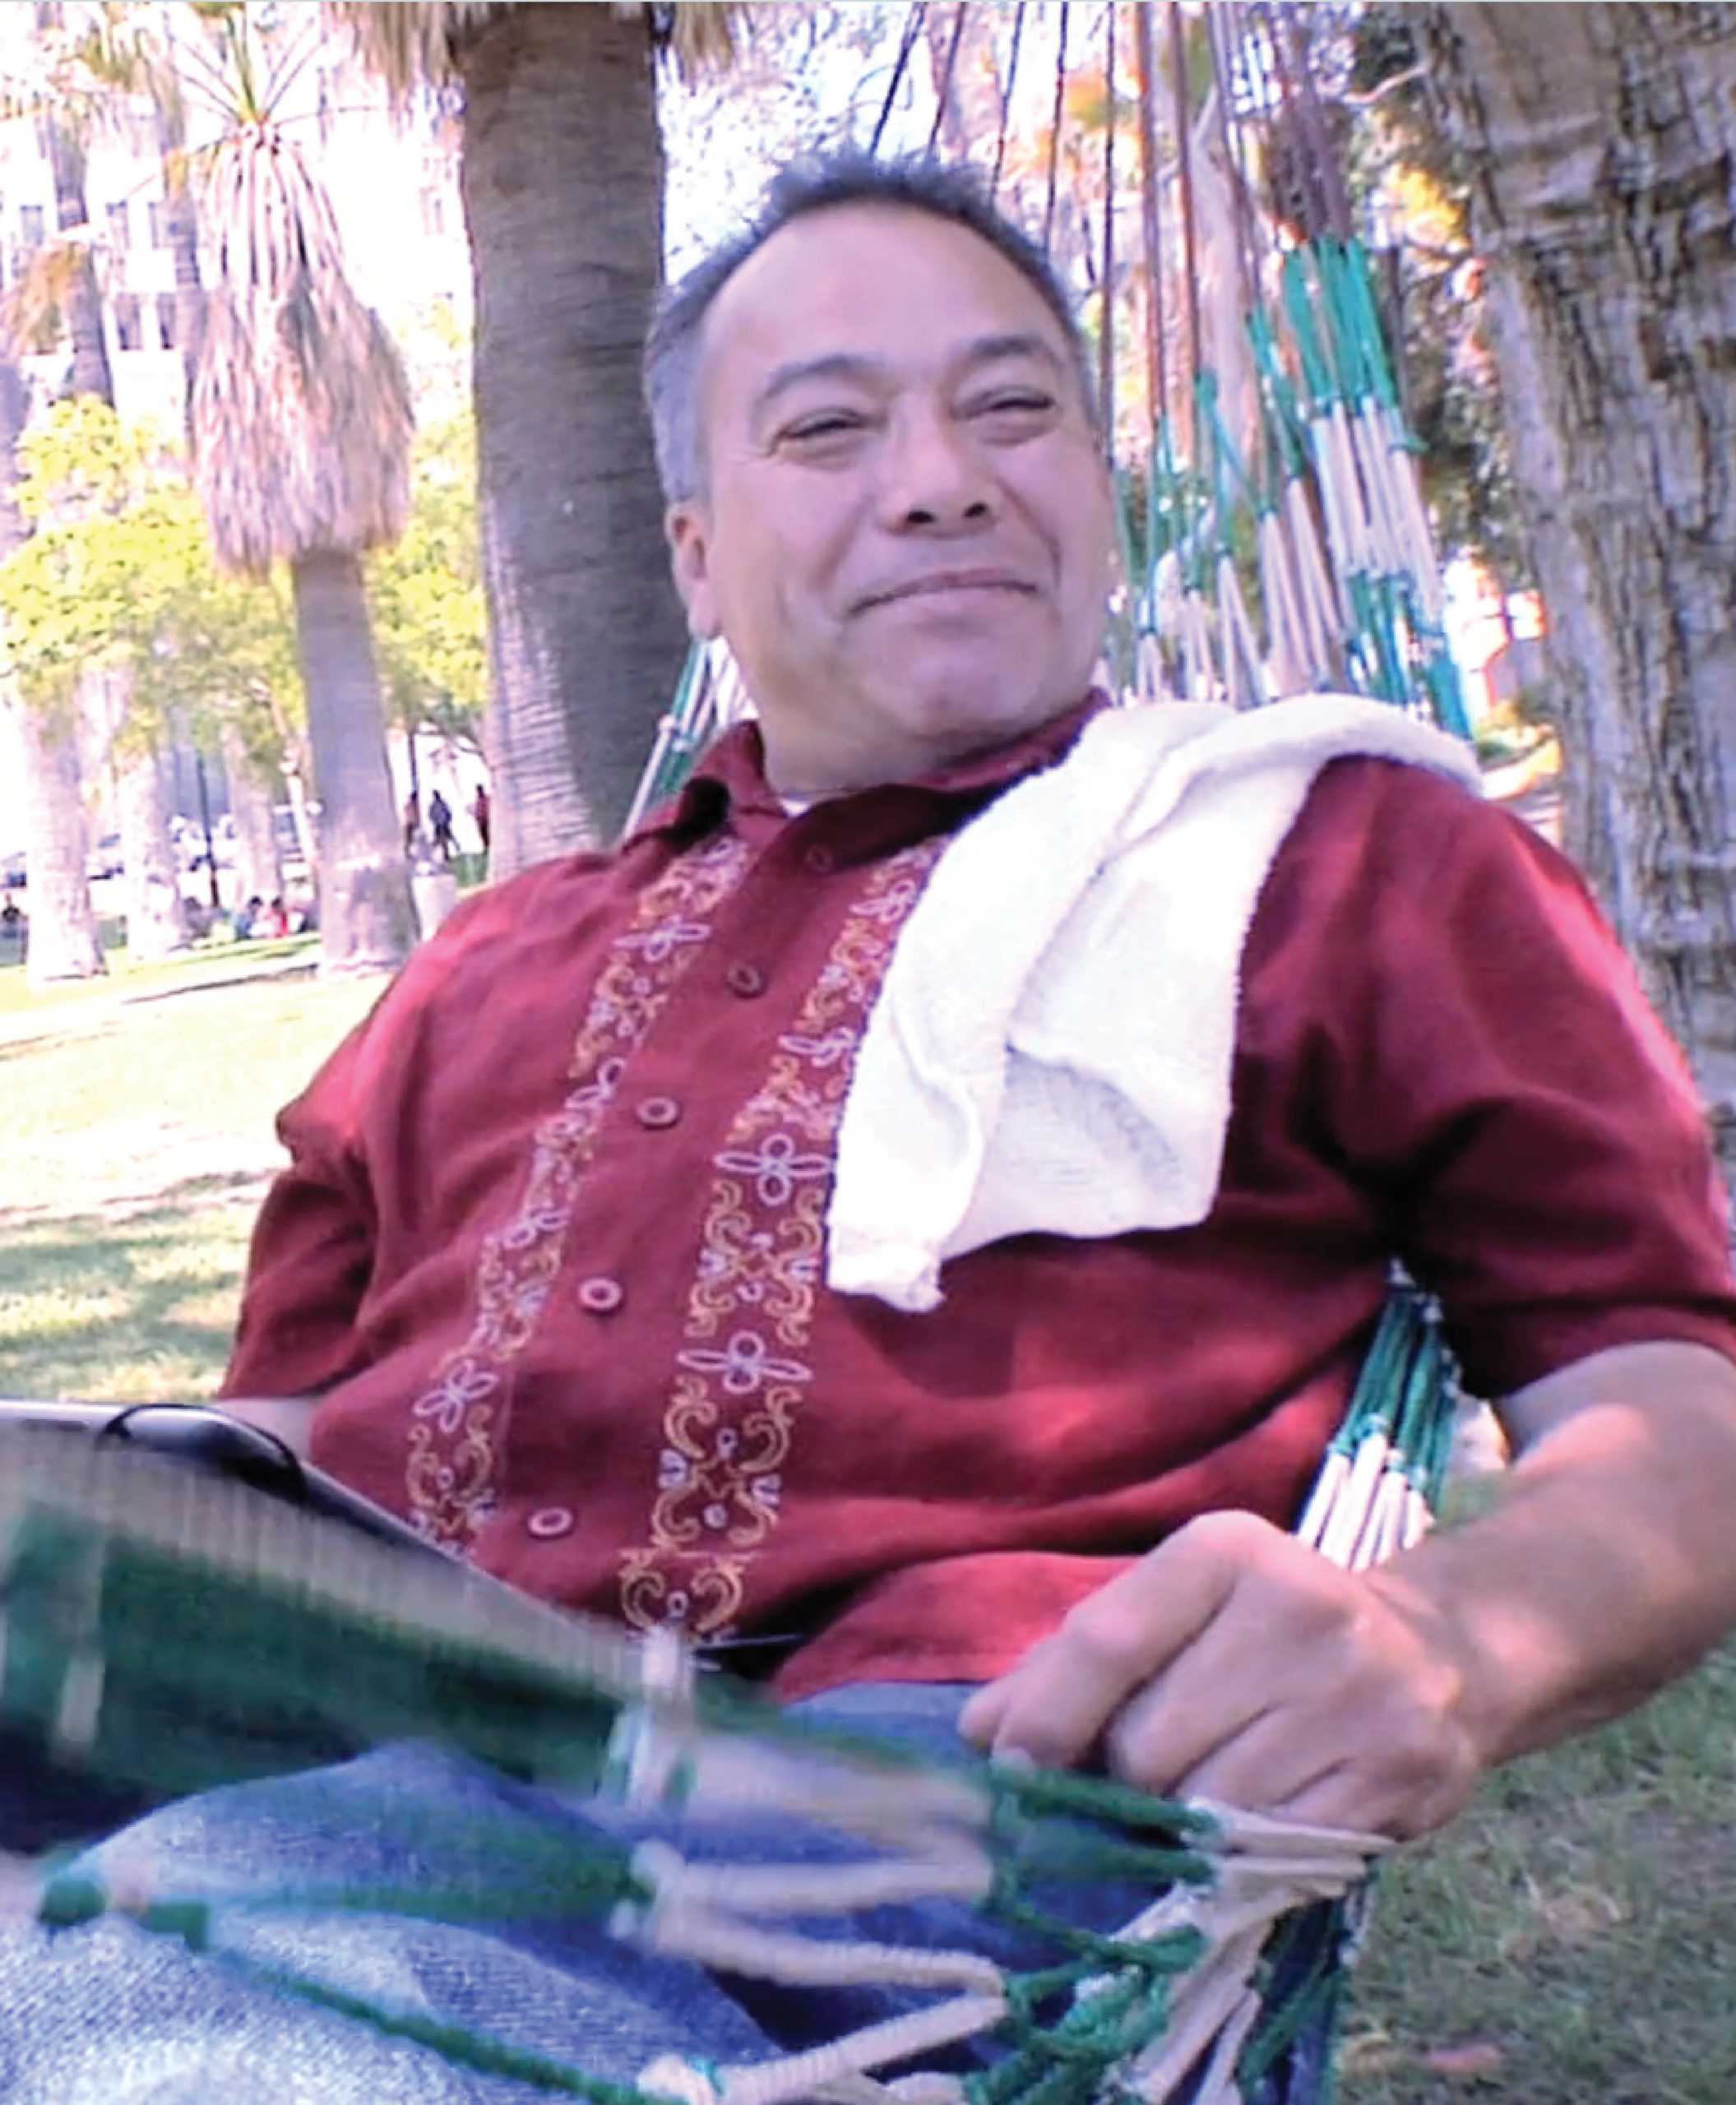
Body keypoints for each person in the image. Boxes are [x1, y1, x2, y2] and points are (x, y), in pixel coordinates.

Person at [3, 151, 1736, 2101]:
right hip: (327, 1784)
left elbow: (1670, 1415)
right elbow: (282, 1454)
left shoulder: (1342, 859)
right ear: (691, 550)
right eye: (826, 428)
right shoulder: (485, 965)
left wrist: (1449, 1628)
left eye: (1013, 409)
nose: (938, 478)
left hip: (922, 1810)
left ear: (1095, 479)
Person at [428, 787, 456, 862]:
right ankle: (431, 852)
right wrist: (435, 821)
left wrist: (448, 819)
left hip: (444, 823)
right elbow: (431, 815)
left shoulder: (443, 803)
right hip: (438, 824)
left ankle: (447, 854)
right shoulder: (434, 806)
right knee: (440, 839)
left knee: (448, 838)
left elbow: (448, 812)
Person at [471, 780, 492, 859]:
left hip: (487, 819)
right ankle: (486, 848)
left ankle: (490, 848)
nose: (479, 791)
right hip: (481, 820)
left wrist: (486, 816)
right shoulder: (478, 799)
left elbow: (489, 808)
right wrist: (477, 817)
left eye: (480, 790)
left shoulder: (487, 798)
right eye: (478, 790)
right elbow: (477, 809)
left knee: (488, 833)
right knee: (483, 834)